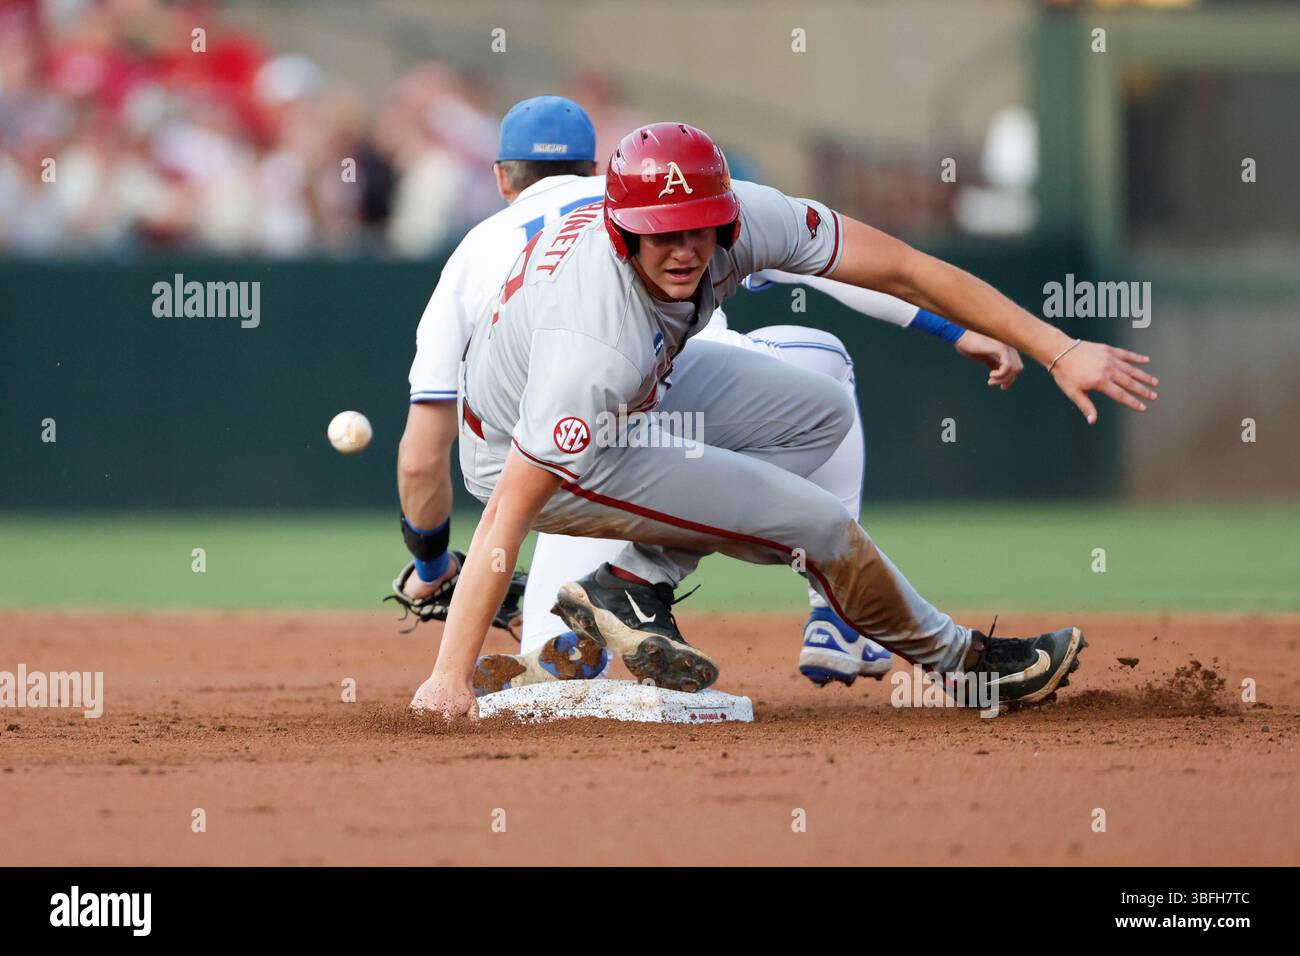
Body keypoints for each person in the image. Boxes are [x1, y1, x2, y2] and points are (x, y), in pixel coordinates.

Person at [410, 121, 1158, 719]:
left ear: (728, 213)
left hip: (634, 387)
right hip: (531, 442)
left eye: (699, 226)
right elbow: (510, 507)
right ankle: (962, 663)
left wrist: (1057, 349)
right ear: (621, 230)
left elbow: (900, 266)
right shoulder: (591, 342)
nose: (683, 248)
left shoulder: (747, 219)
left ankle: (634, 583)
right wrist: (451, 674)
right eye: (661, 230)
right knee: (821, 526)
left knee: (819, 410)